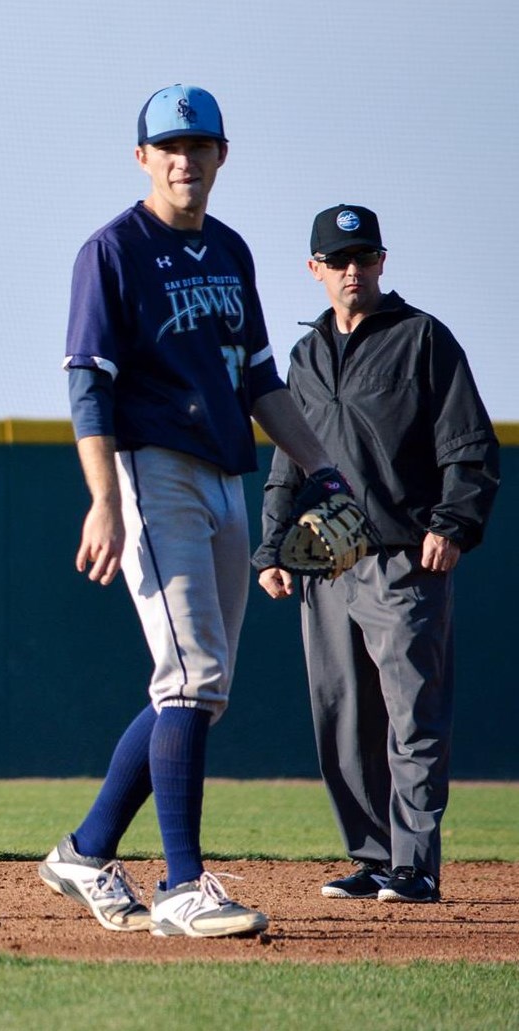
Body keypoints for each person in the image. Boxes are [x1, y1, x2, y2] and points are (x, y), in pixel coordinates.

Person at [39, 85, 353, 938]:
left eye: (200, 146)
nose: (185, 160)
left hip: (226, 474)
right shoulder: (112, 250)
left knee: (199, 689)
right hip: (151, 470)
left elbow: (260, 380)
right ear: (143, 157)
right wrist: (103, 497)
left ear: (222, 155)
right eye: (169, 147)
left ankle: (86, 848)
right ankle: (182, 886)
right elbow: (87, 384)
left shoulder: (230, 251)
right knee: (192, 676)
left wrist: (322, 465)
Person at [254, 205, 499, 905]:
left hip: (402, 558)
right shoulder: (304, 357)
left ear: (383, 262)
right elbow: (286, 465)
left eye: (363, 257)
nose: (351, 270)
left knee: (411, 713)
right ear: (315, 270)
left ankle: (415, 864)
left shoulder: (422, 339)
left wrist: (452, 522)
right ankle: (371, 856)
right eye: (338, 260)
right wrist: (272, 546)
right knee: (342, 714)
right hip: (324, 561)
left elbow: (470, 446)